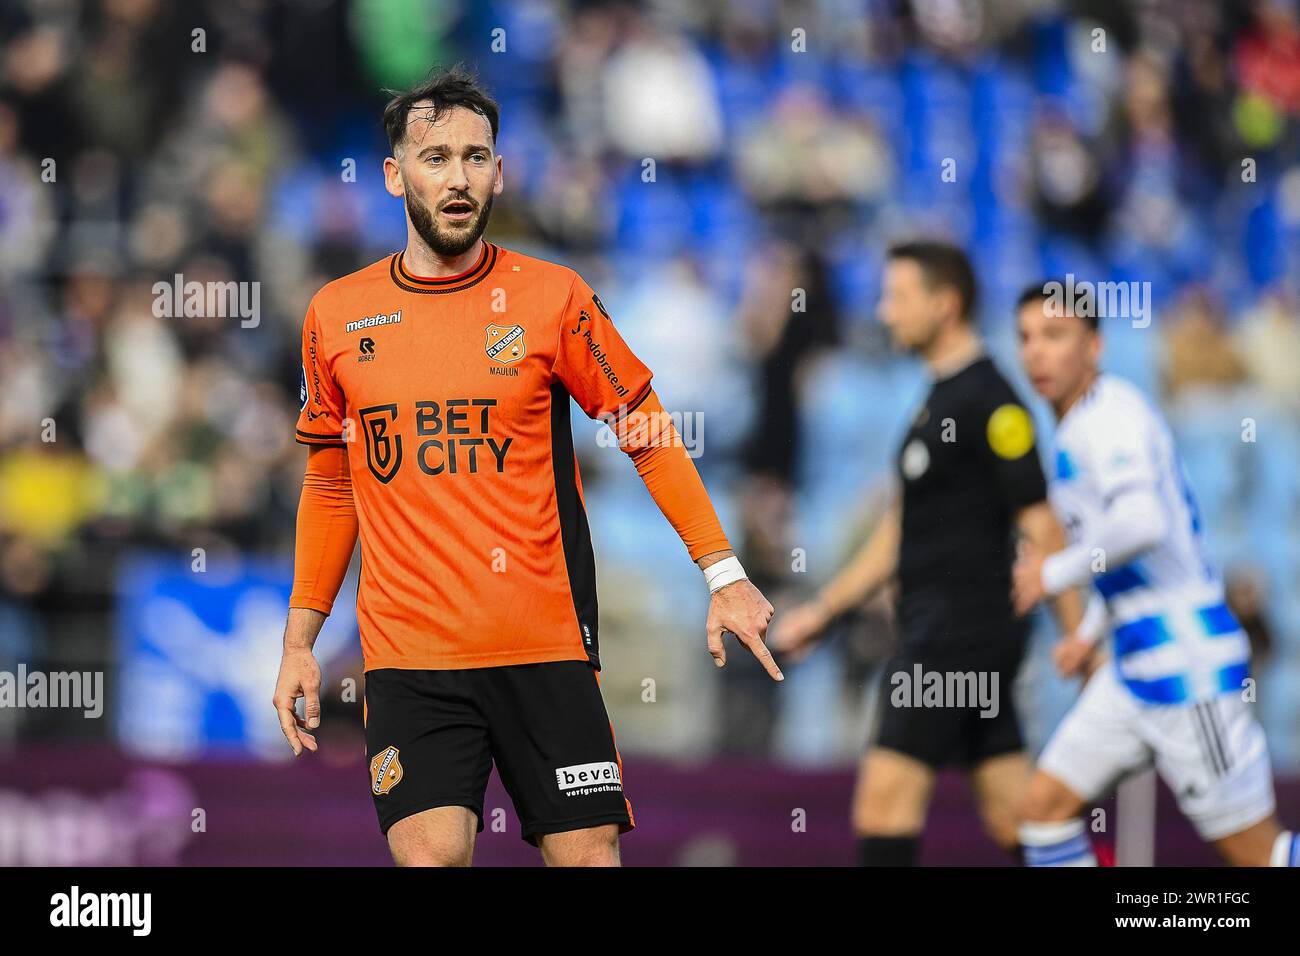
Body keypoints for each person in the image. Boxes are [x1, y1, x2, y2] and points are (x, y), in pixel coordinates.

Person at [270, 67, 781, 867]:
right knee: (431, 858)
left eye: (477, 157)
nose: (459, 177)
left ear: (500, 173)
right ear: (394, 175)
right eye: (434, 157)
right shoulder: (336, 315)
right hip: (411, 658)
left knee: (587, 862)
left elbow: (646, 430)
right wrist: (302, 640)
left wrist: (723, 573)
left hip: (544, 645)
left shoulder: (553, 298)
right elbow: (332, 482)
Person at [774, 242, 1079, 866]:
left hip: (953, 636)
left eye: (897, 297)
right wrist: (823, 612)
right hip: (962, 636)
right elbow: (900, 530)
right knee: (1013, 819)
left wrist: (1079, 635)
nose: (885, 313)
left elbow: (1043, 525)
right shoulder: (937, 400)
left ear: (945, 305)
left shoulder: (992, 403)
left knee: (884, 809)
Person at [1012, 282, 1297, 867]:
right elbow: (1127, 559)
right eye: (1026, 337)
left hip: (1184, 666)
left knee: (1259, 854)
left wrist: (1054, 573)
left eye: (1055, 335)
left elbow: (1143, 524)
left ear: (1094, 346)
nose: (1036, 352)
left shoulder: (1110, 417)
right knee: (1043, 812)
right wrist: (1091, 632)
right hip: (1132, 664)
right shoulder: (1076, 425)